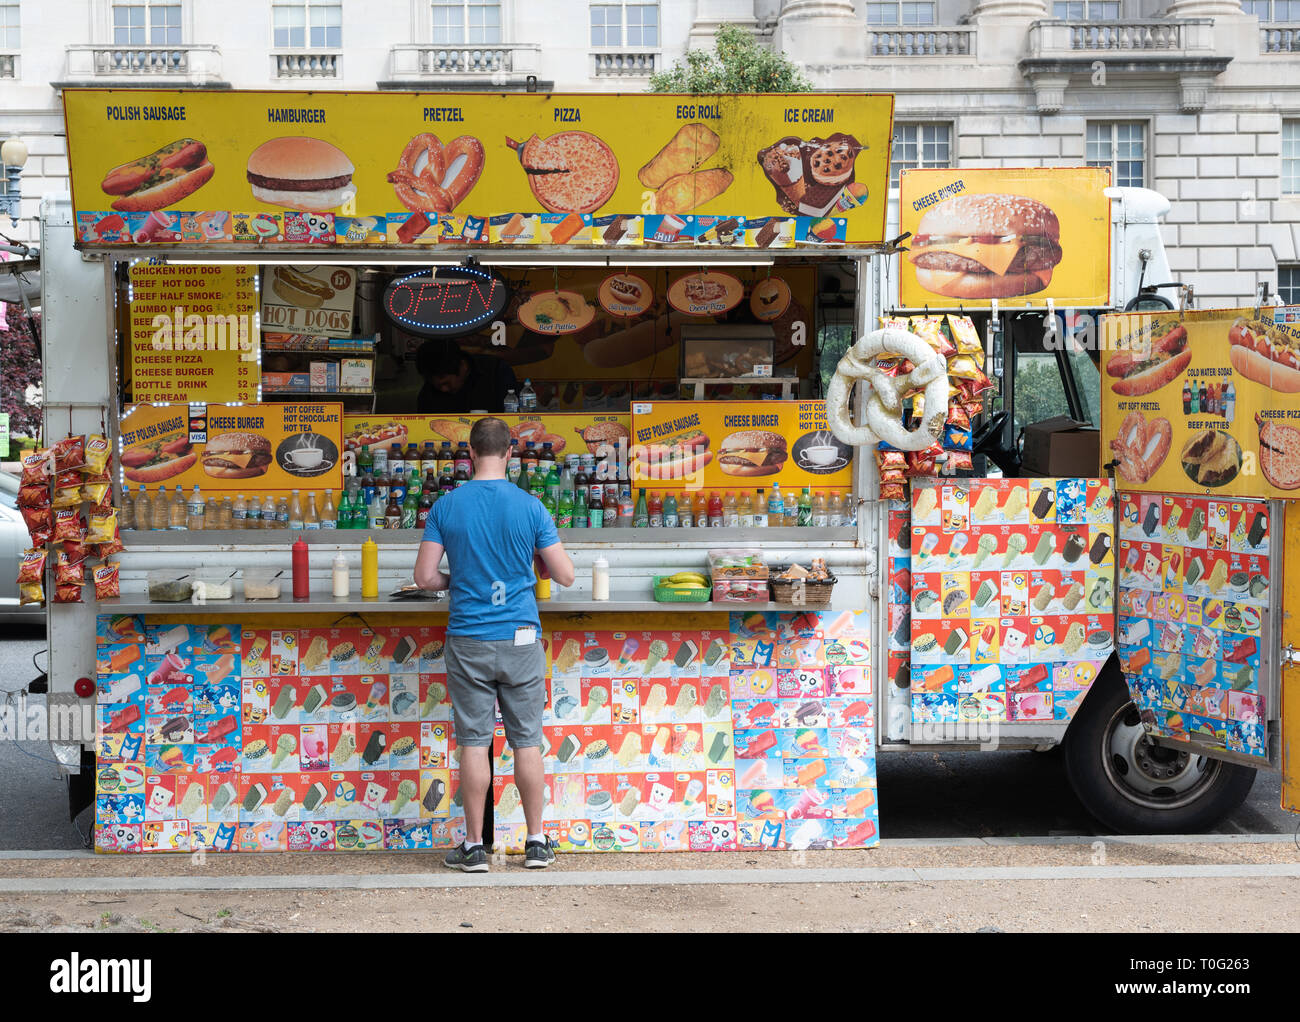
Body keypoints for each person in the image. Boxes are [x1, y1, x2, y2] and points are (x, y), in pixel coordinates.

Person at [414, 416, 575, 871]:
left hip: (469, 637)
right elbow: (564, 574)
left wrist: (459, 578)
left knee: (473, 740)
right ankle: (537, 843)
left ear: (469, 451)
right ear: (509, 453)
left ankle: (473, 847)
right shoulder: (531, 506)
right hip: (522, 638)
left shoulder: (447, 506)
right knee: (527, 742)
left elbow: (425, 578)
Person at [416, 338, 518, 414]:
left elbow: (513, 414)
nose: (444, 389)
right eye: (438, 386)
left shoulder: (496, 371)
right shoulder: (429, 390)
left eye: (446, 383)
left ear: (462, 367)